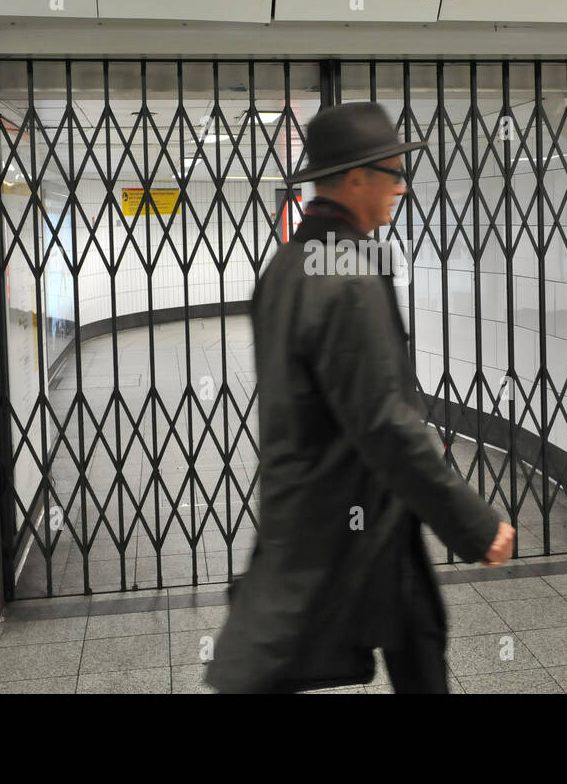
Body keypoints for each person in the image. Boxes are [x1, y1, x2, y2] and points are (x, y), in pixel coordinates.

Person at [205, 101, 515, 695]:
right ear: (356, 179)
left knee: (418, 631)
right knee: (264, 660)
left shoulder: (287, 265)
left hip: (348, 506)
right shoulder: (346, 273)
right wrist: (476, 525)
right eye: (393, 173)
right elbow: (386, 422)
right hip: (342, 506)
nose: (401, 186)